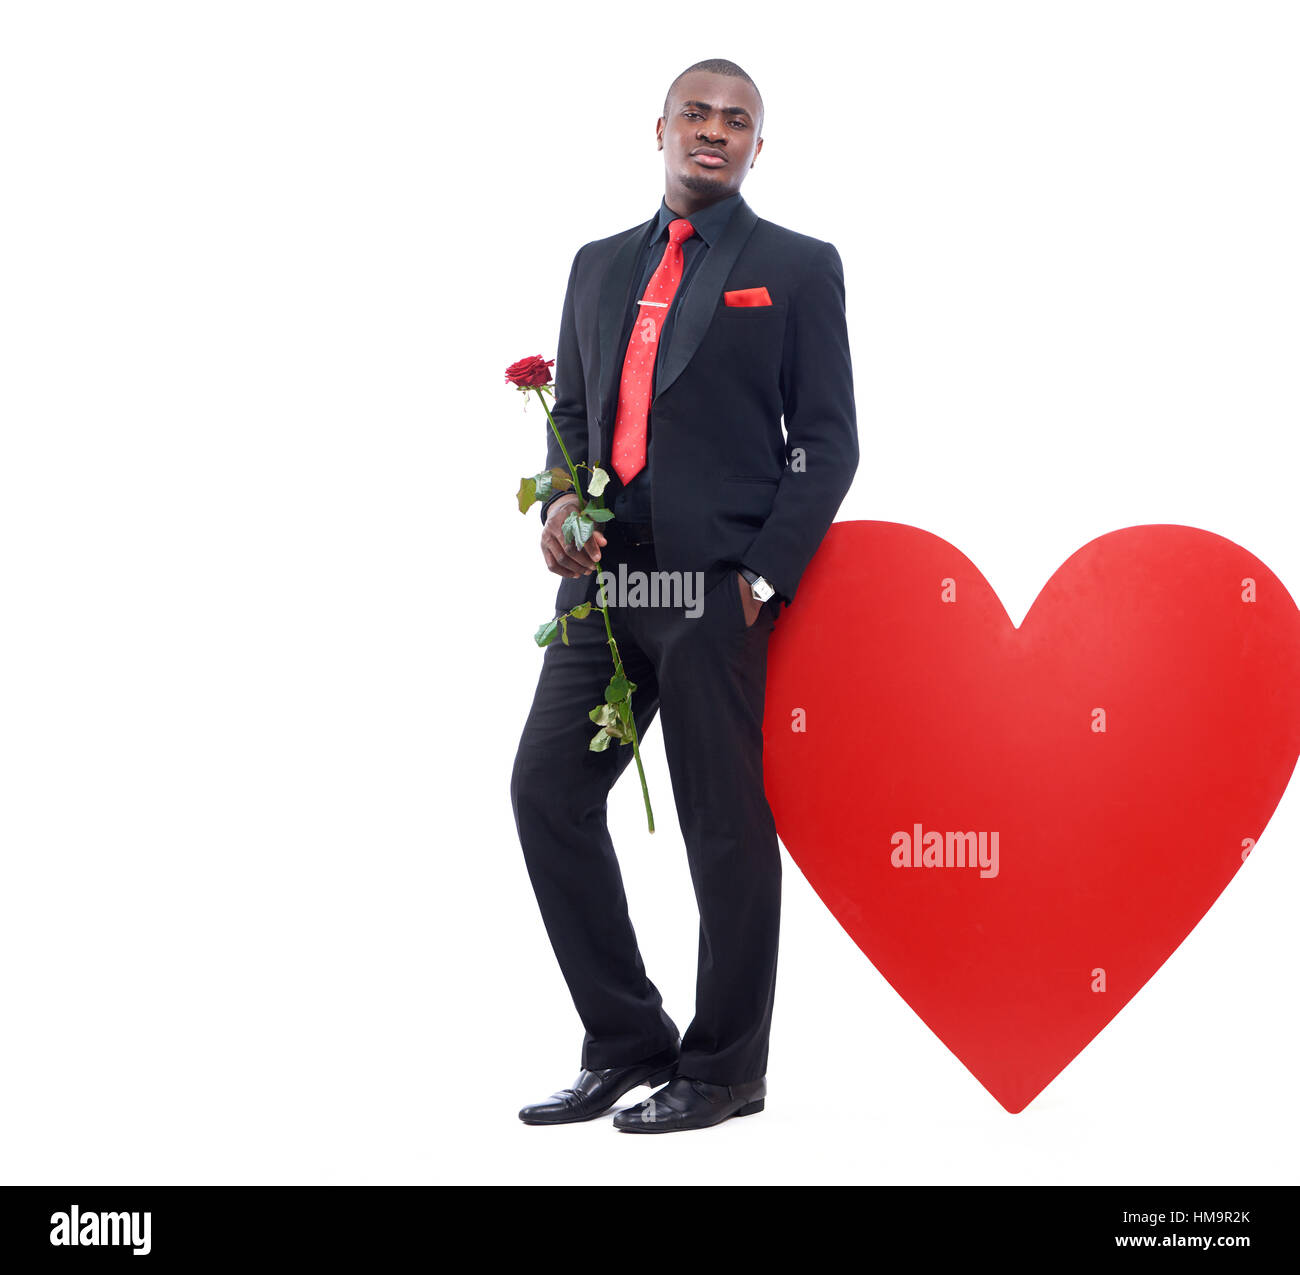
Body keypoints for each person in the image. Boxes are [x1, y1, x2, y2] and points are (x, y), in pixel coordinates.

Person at [510, 58, 859, 1133]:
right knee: (546, 795)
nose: (715, 131)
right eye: (697, 115)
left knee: (723, 827)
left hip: (713, 587)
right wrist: (561, 509)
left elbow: (829, 438)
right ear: (659, 127)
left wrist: (759, 575)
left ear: (759, 145)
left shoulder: (796, 268)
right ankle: (625, 1042)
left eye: (737, 121)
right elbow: (571, 417)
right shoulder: (596, 265)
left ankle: (723, 1070)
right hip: (607, 584)